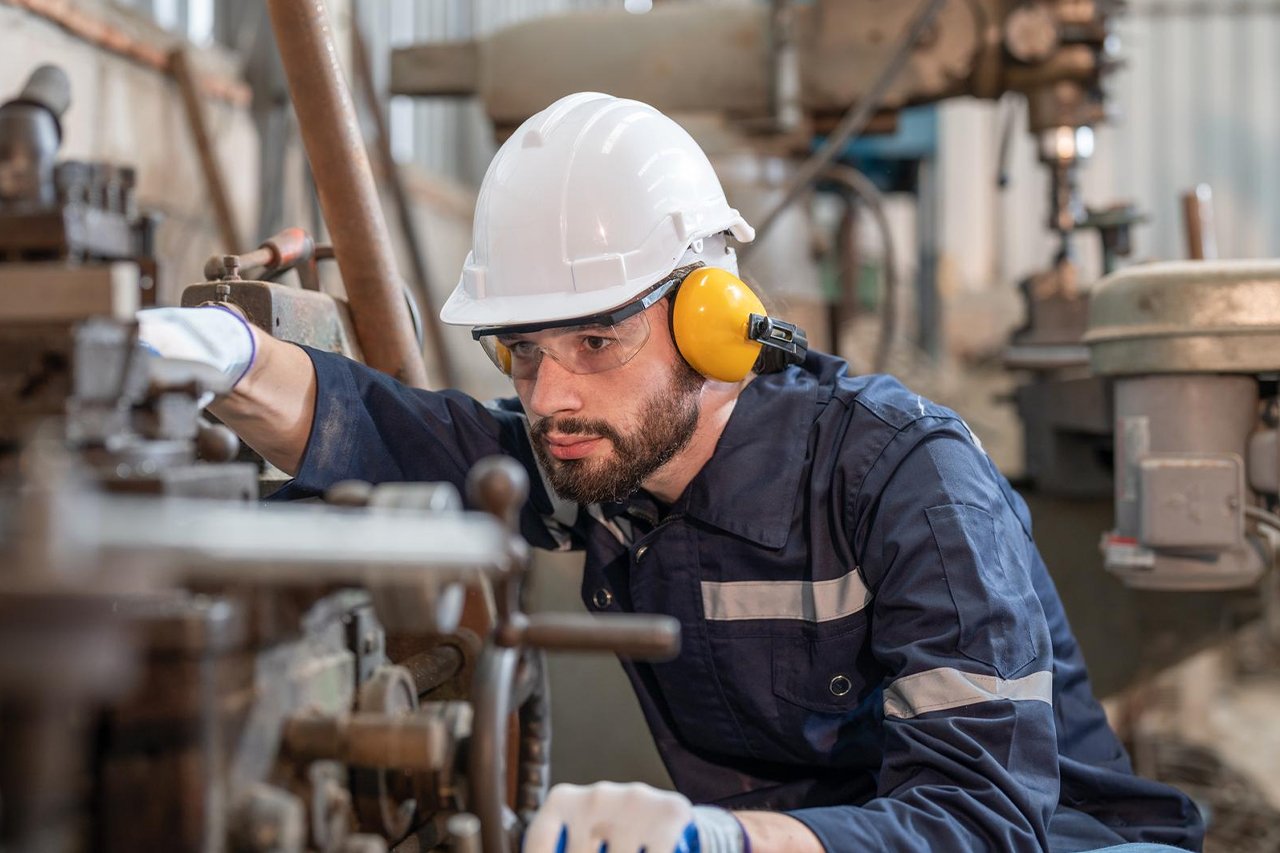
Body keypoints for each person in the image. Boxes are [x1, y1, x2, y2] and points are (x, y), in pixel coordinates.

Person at [140, 92, 1204, 853]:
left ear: (713, 324)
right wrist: (226, 359)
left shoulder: (906, 485)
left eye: (594, 343)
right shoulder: (603, 458)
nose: (549, 395)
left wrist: (721, 839)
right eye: (521, 351)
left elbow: (980, 818)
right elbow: (412, 438)